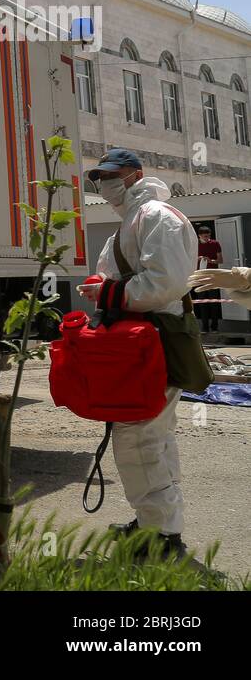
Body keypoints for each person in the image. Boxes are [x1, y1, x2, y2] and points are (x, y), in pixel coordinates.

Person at [78, 149, 196, 557]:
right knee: (152, 437)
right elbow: (117, 275)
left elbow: (165, 282)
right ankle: (155, 522)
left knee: (140, 438)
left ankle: (161, 537)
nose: (103, 182)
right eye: (98, 176)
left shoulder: (156, 217)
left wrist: (109, 292)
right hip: (139, 346)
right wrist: (103, 286)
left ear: (134, 175)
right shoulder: (130, 223)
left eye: (111, 174)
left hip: (155, 345)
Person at [193, 225, 222, 334]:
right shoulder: (194, 244)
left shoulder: (215, 243)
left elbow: (220, 260)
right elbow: (189, 260)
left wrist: (210, 261)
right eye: (204, 236)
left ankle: (214, 327)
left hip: (212, 275)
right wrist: (198, 259)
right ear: (199, 236)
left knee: (214, 301)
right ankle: (204, 327)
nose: (207, 238)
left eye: (208, 236)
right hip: (200, 276)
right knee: (202, 302)